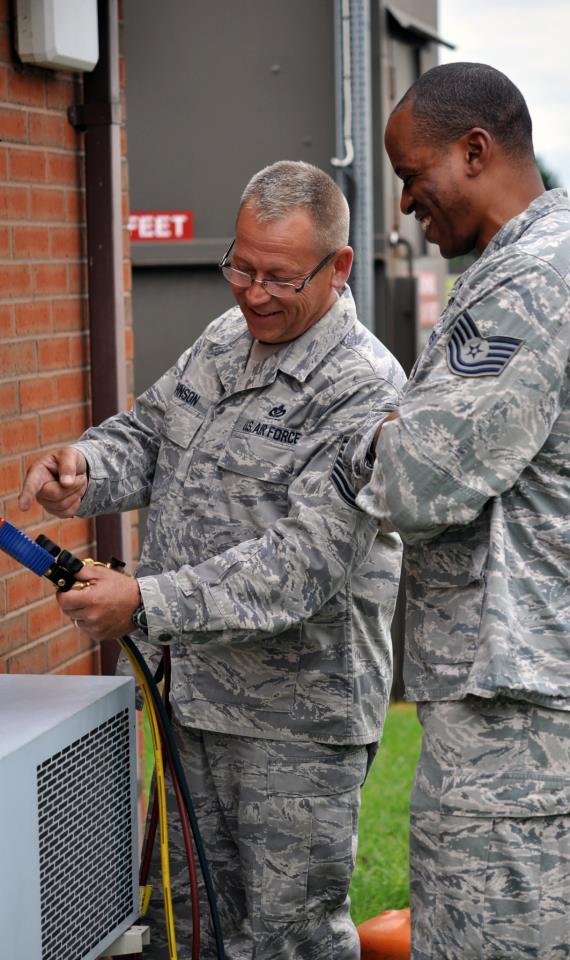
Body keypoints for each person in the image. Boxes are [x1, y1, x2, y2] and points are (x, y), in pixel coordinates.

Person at [20, 160, 406, 959]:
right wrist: (84, 467)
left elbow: (302, 563)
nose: (253, 293)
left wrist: (143, 603)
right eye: (240, 265)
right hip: (188, 702)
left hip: (294, 724)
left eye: (279, 277)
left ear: (336, 268)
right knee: (185, 929)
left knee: (284, 939)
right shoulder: (225, 339)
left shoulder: (363, 388)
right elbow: (149, 435)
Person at [344, 63, 570, 959]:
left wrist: (377, 440)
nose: (403, 203)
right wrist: (398, 428)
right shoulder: (524, 266)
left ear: (474, 151)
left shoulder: (530, 279)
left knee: (489, 941)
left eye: (411, 173)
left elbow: (414, 479)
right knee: (536, 931)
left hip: (522, 692)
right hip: (521, 680)